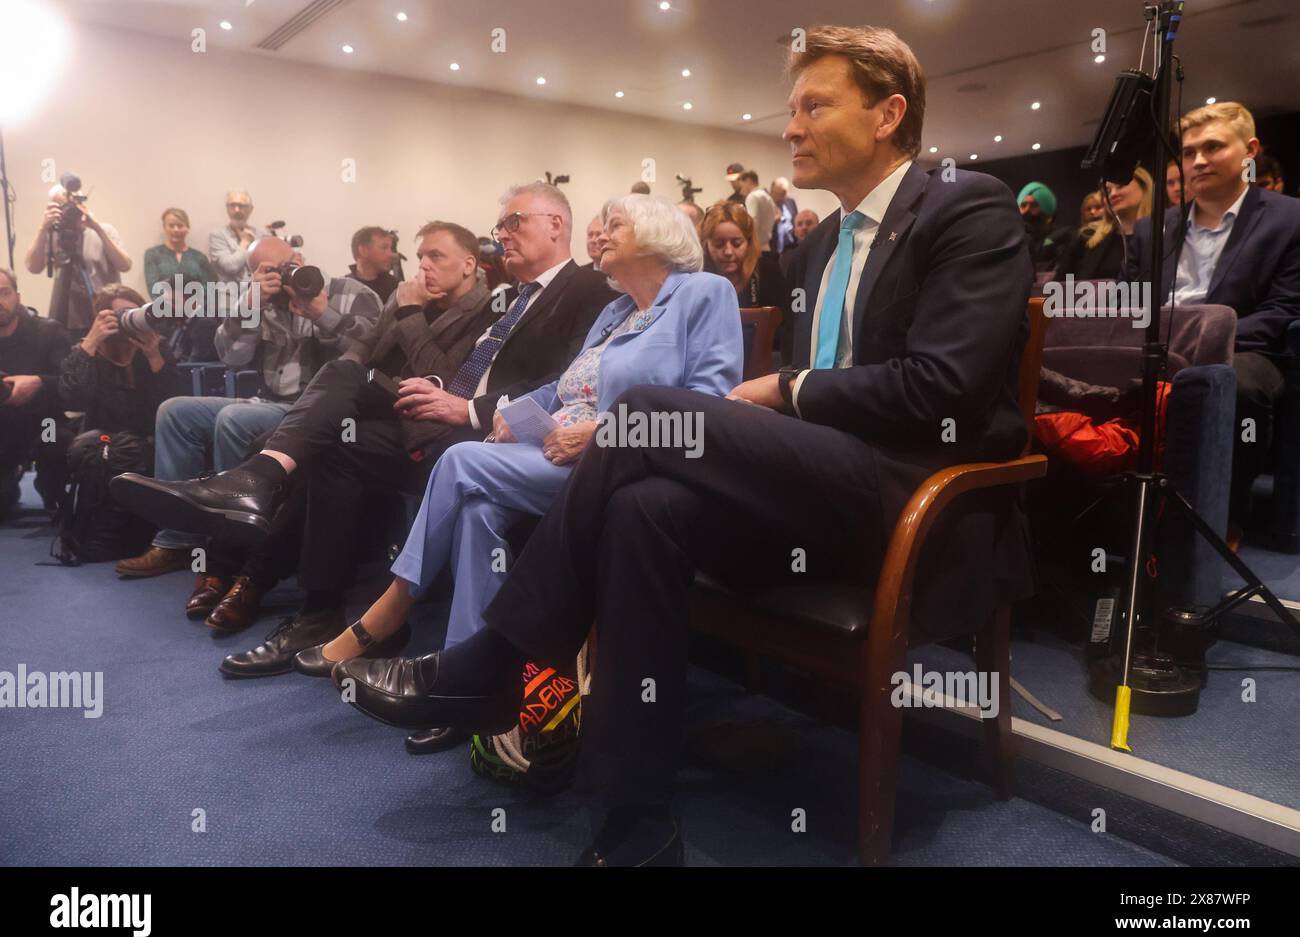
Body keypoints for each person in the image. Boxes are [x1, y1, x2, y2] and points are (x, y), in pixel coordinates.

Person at [335, 24, 1034, 866]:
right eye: (792, 108)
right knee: (644, 507)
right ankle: (637, 824)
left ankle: (495, 661)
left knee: (650, 412)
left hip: (914, 492)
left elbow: (941, 389)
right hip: (819, 481)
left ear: (889, 113)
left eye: (815, 105)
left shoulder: (969, 207)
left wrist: (785, 390)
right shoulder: (820, 242)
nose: (791, 128)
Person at [114, 184, 618, 675]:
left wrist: (464, 406)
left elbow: (566, 378)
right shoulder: (516, 298)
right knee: (338, 407)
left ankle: (251, 541)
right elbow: (381, 353)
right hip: (435, 412)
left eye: (514, 221)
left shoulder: (586, 289)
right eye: (500, 224)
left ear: (555, 225)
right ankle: (313, 598)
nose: (502, 234)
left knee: (326, 414)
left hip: (485, 432)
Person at [296, 195, 742, 709]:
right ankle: (468, 681)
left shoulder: (704, 293)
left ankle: (391, 609)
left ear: (658, 235)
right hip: (556, 452)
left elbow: (709, 406)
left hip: (623, 462)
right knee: (478, 508)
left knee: (461, 461)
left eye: (616, 224)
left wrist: (600, 433)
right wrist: (513, 413)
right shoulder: (615, 311)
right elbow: (562, 387)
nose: (600, 234)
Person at [110, 236, 381, 625]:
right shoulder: (255, 299)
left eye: (284, 266)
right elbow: (231, 357)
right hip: (268, 402)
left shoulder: (351, 293)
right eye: (264, 270)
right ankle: (176, 541)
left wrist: (321, 311)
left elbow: (372, 351)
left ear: (300, 259)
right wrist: (249, 305)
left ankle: (230, 557)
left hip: (318, 412)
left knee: (234, 419)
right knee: (175, 411)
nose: (278, 277)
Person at [1128, 102, 1300, 541]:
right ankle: (1117, 512)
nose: (1198, 161)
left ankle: (1219, 521)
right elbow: (1128, 300)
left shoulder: (1288, 219)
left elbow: (1284, 312)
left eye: (1213, 147)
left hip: (1244, 349)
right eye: (1188, 152)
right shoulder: (1151, 229)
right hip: (1154, 345)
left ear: (1250, 151)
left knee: (1232, 383)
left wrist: (1200, 341)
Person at [58, 284, 183, 450]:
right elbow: (73, 399)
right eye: (123, 313)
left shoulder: (156, 347)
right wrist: (91, 342)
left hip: (149, 437)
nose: (130, 318)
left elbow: (173, 403)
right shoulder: (88, 352)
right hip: (101, 443)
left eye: (134, 312)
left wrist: (154, 357)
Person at [0, 267, 71, 517]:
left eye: (4, 293)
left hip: (45, 420)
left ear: (17, 296)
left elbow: (70, 384)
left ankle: (50, 487)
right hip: (3, 425)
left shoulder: (49, 331)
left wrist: (39, 382)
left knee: (54, 440)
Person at [23, 184, 132, 334]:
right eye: (62, 206)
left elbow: (125, 265)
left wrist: (97, 228)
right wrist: (43, 228)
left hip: (106, 313)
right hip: (70, 318)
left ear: (82, 204)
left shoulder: (105, 230)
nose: (68, 211)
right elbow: (33, 267)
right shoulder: (53, 234)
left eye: (72, 205)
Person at [701, 202, 789, 357]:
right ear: (705, 245)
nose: (728, 252)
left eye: (736, 244)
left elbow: (783, 331)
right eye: (719, 244)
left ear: (749, 242)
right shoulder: (696, 278)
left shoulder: (768, 271)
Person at [143, 208, 220, 362]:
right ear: (164, 227)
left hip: (198, 315)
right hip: (166, 315)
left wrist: (193, 306)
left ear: (187, 228)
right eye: (171, 225)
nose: (176, 230)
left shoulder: (198, 257)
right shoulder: (153, 254)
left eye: (180, 225)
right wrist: (171, 307)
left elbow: (211, 286)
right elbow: (154, 287)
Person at [1053, 167, 1152, 283]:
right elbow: (1059, 287)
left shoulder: (1166, 234)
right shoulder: (1086, 238)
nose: (1113, 194)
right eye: (1107, 191)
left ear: (1144, 187)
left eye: (1121, 186)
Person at [208, 190, 266, 316]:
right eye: (232, 205)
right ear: (227, 209)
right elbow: (230, 267)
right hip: (230, 301)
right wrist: (245, 243)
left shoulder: (263, 235)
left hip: (259, 300)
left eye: (242, 206)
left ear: (251, 209)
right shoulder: (217, 235)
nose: (237, 209)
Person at [1017, 180, 1074, 272]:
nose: (1027, 210)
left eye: (1034, 205)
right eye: (1023, 205)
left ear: (1049, 215)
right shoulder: (1012, 240)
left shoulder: (1063, 239)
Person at [348, 226, 399, 303]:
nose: (390, 254)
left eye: (390, 248)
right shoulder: (342, 288)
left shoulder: (397, 289)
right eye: (384, 248)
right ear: (363, 251)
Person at [735, 171, 779, 254]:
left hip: (756, 248)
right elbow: (777, 215)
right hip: (767, 246)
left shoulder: (752, 196)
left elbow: (753, 222)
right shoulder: (767, 197)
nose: (740, 191)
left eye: (741, 187)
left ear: (748, 181)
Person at [770, 176, 799, 254]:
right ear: (772, 191)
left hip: (791, 248)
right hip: (774, 250)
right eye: (779, 194)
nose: (782, 198)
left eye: (784, 194)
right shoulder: (766, 205)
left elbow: (795, 222)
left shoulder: (791, 202)